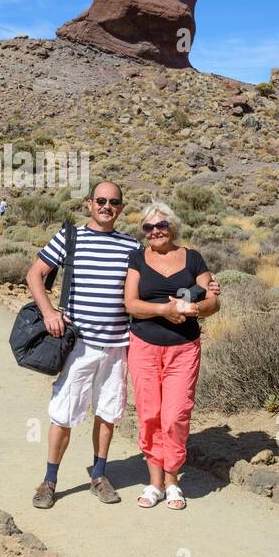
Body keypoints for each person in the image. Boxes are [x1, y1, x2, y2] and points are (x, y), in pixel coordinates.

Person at [25, 182, 137, 509]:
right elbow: (35, 274)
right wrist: (48, 313)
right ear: (89, 203)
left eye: (113, 201)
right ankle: (49, 481)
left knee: (108, 412)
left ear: (120, 206)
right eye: (100, 200)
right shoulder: (70, 237)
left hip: (117, 346)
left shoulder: (131, 246)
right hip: (79, 345)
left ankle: (99, 476)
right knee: (63, 413)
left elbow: (151, 284)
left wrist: (202, 285)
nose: (106, 206)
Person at [123, 201, 220, 510]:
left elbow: (212, 300)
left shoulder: (192, 258)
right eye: (149, 228)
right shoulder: (137, 258)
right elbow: (131, 304)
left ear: (173, 226)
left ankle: (172, 480)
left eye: (161, 225)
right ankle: (154, 482)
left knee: (176, 415)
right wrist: (165, 310)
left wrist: (192, 308)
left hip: (183, 348)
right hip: (144, 346)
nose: (155, 232)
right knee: (150, 413)